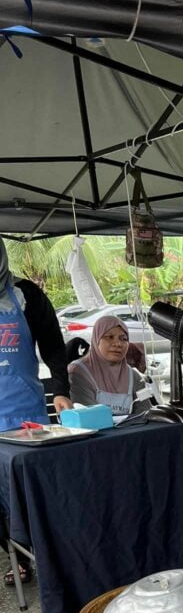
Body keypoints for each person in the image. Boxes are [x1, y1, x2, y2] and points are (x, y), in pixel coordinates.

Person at [0, 237, 72, 585]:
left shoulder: (25, 295)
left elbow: (54, 345)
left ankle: (50, 556)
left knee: (32, 492)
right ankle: (18, 558)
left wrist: (60, 389)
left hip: (26, 413)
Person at [68, 315, 152, 416]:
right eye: (110, 337)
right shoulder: (78, 371)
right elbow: (87, 415)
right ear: (97, 339)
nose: (118, 344)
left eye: (123, 338)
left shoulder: (133, 376)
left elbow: (145, 412)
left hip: (130, 430)